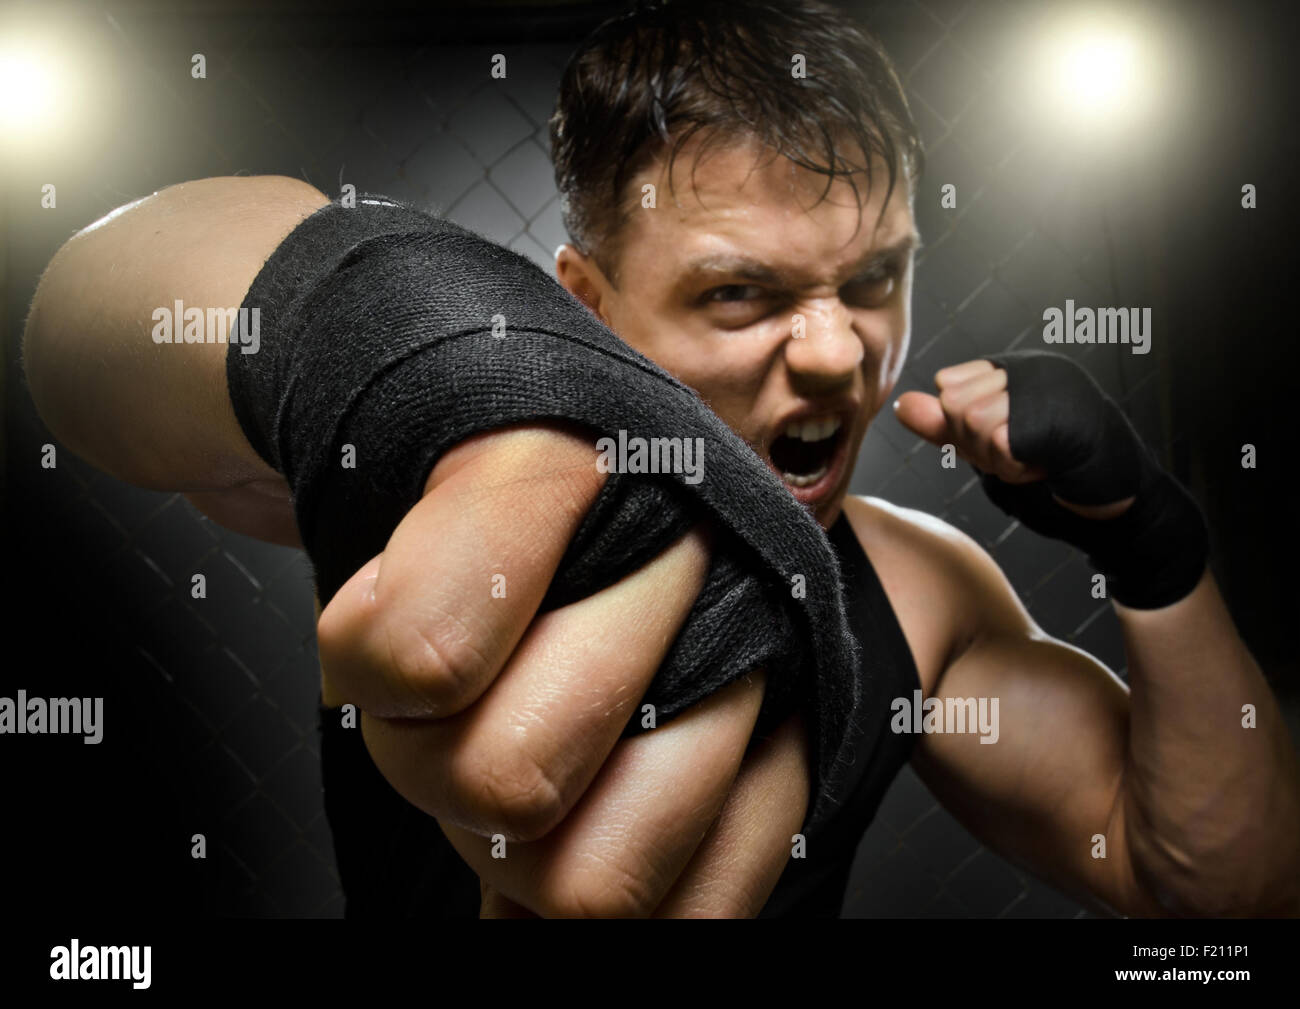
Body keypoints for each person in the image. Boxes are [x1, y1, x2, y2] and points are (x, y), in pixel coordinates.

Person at [22, 0, 1299, 917]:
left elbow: (1213, 888)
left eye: (873, 279)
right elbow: (83, 335)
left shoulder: (922, 589)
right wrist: (409, 341)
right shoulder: (456, 485)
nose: (837, 358)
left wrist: (1155, 548)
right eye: (742, 294)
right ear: (584, 299)